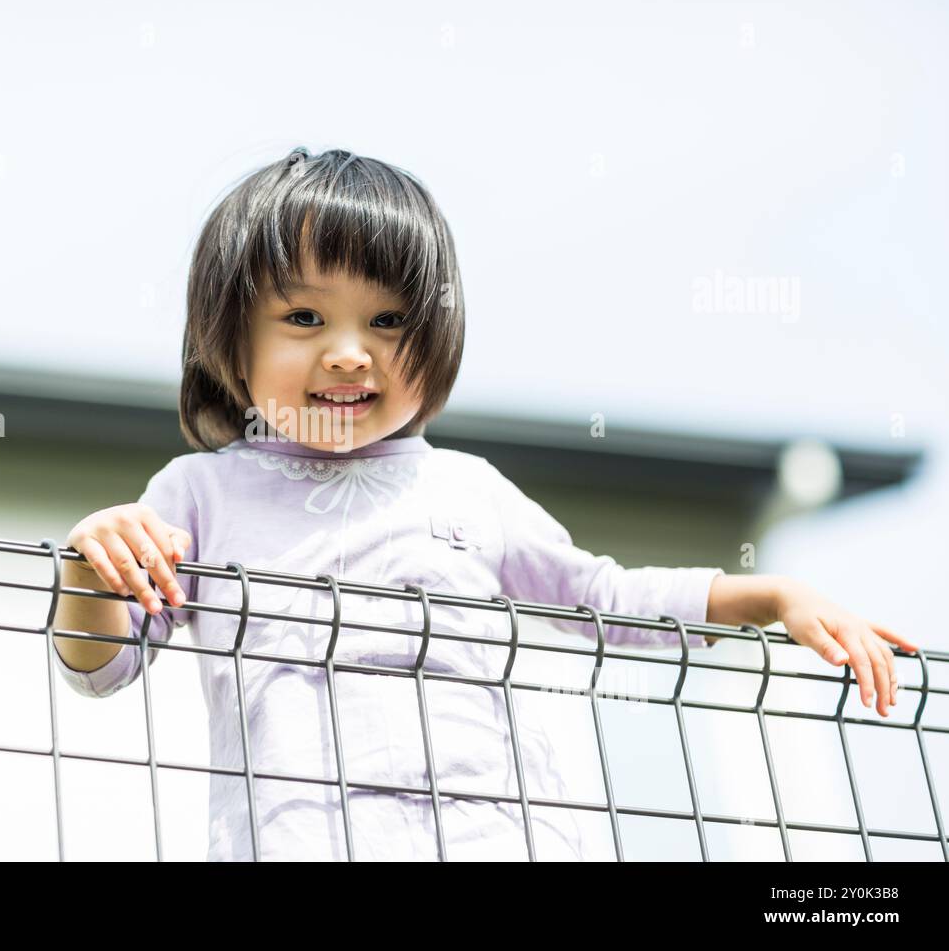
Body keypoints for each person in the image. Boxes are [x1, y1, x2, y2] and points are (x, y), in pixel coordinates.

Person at [51, 147, 919, 861]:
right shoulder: (198, 493)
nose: (352, 354)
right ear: (230, 339)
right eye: (306, 319)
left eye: (389, 322)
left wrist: (770, 597)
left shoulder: (465, 488)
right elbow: (103, 666)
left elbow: (607, 601)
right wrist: (90, 562)